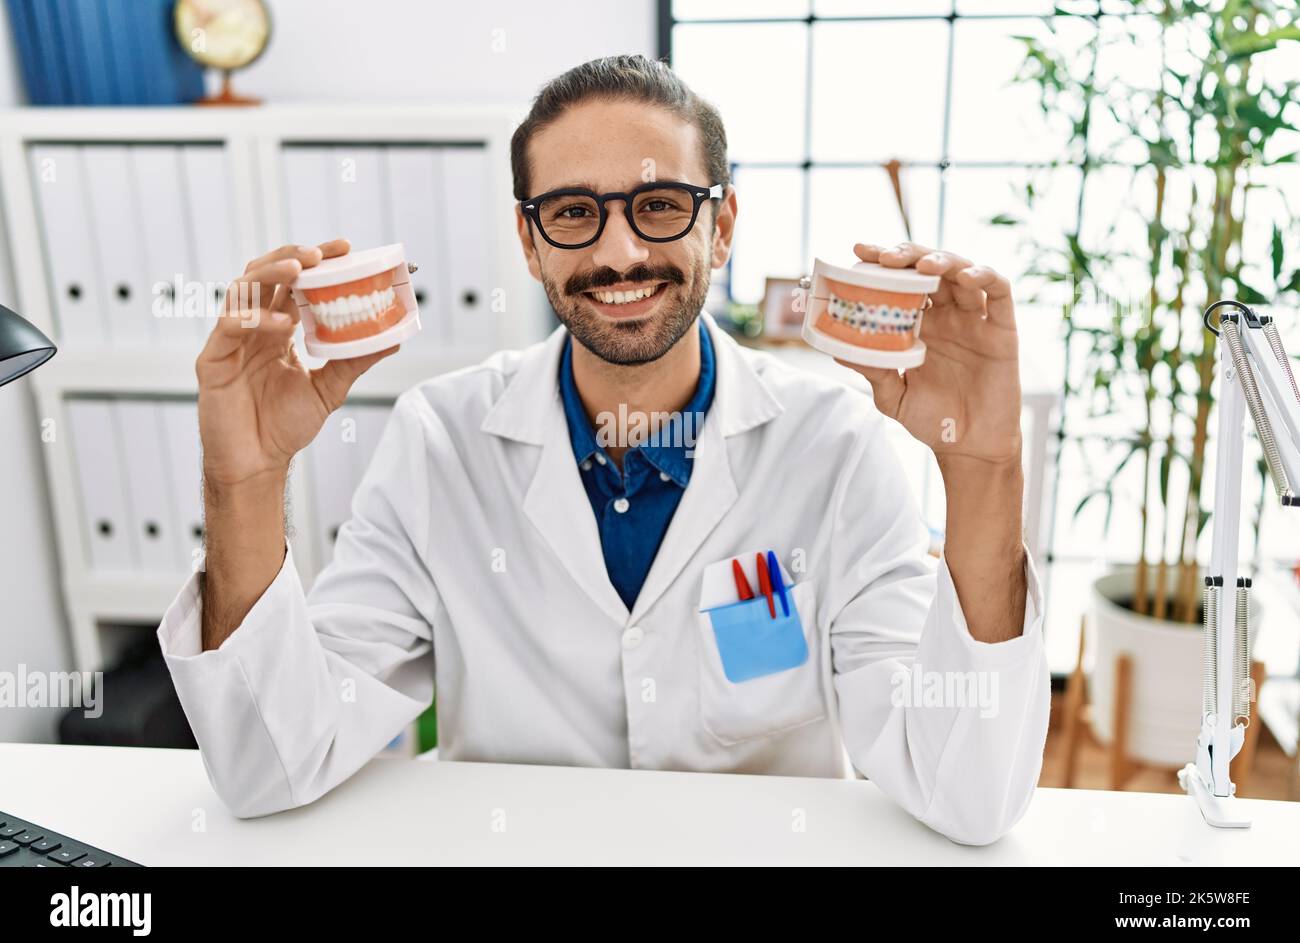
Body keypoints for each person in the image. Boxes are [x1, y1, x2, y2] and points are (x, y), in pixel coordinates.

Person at [159, 54, 1048, 846]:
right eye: (574, 212)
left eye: (660, 206)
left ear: (722, 225)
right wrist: (243, 477)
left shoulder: (837, 448)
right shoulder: (440, 442)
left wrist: (985, 470)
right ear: (530, 241)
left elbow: (965, 794)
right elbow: (271, 766)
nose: (620, 253)